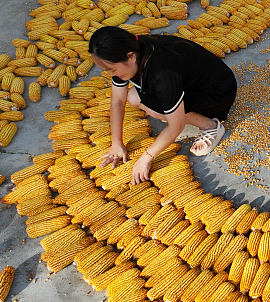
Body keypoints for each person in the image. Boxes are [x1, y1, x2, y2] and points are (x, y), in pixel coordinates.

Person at [88, 26, 237, 185]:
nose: (111, 74)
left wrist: (146, 158)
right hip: (192, 85)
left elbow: (176, 126)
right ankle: (177, 110)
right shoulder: (132, 49)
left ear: (130, 57)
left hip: (218, 94)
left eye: (112, 69)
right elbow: (117, 101)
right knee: (133, 97)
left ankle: (210, 126)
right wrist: (117, 144)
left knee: (157, 109)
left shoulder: (161, 73)